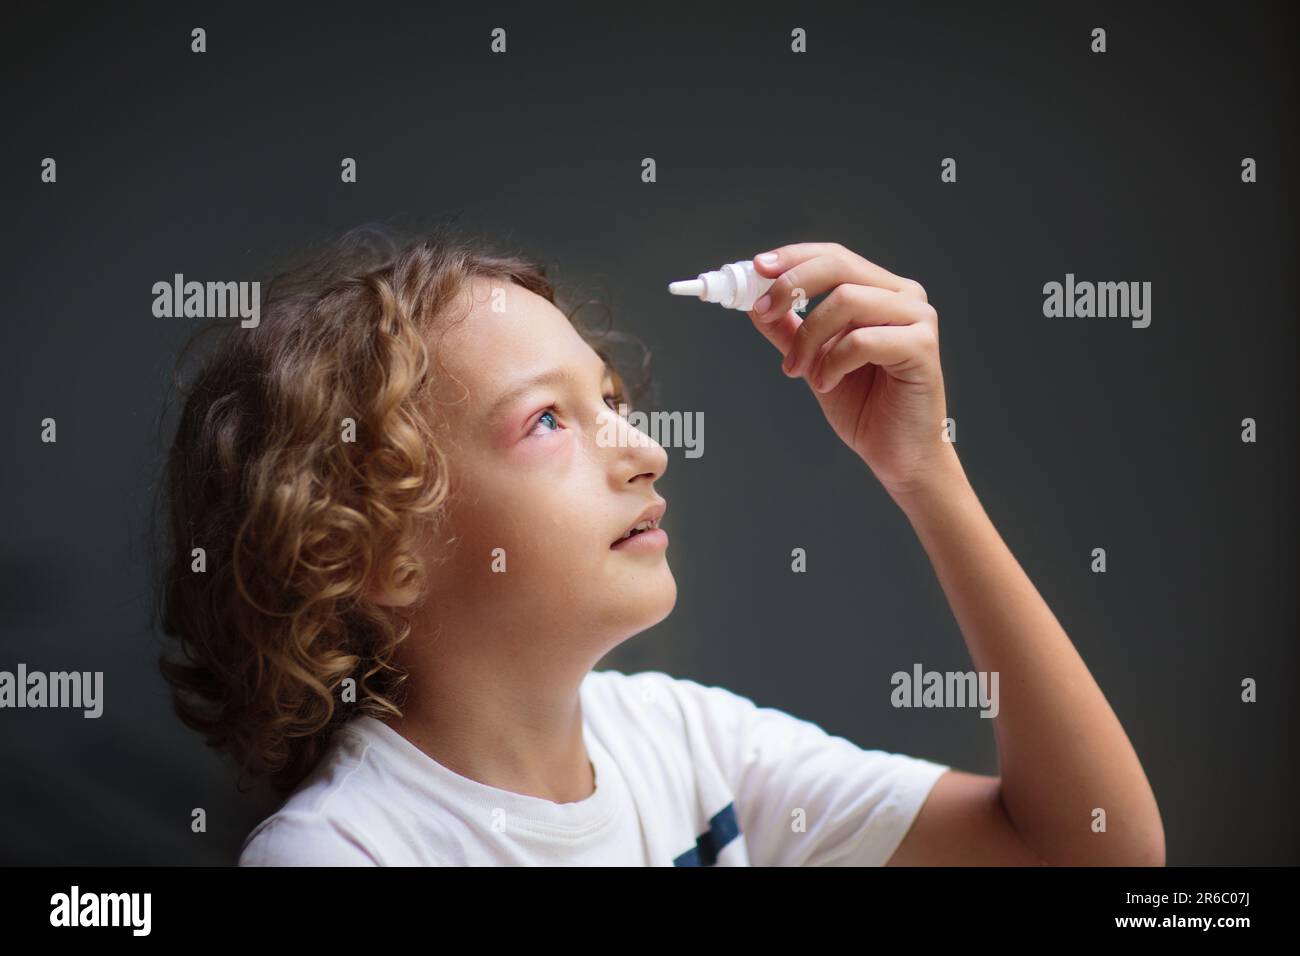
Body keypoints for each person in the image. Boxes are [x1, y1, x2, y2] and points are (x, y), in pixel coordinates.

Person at [156, 223, 1164, 866]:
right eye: (547, 421)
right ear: (368, 549)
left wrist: (924, 470)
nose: (644, 451)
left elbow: (1086, 851)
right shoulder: (346, 853)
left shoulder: (682, 744)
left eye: (612, 400)